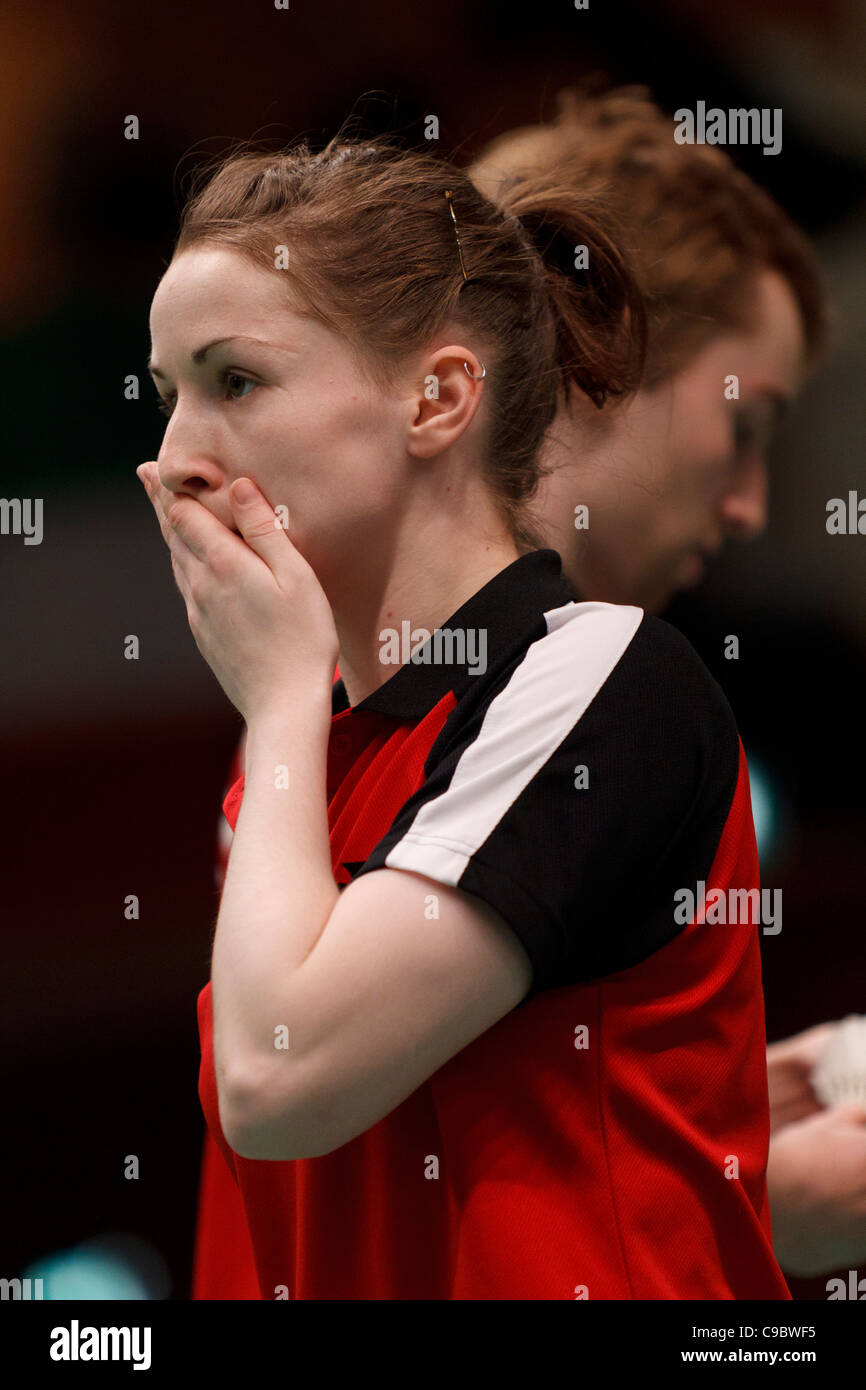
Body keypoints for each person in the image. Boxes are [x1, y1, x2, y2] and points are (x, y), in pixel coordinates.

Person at [140, 128, 791, 1298]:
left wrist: (281, 698)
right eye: (167, 393)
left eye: (233, 380)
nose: (173, 458)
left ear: (437, 397)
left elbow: (277, 1082)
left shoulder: (597, 680)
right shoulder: (296, 750)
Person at [468, 84, 866, 1281]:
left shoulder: (374, 662)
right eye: (743, 423)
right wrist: (747, 1206)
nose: (747, 502)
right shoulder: (584, 690)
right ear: (609, 355)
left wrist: (725, 1144)